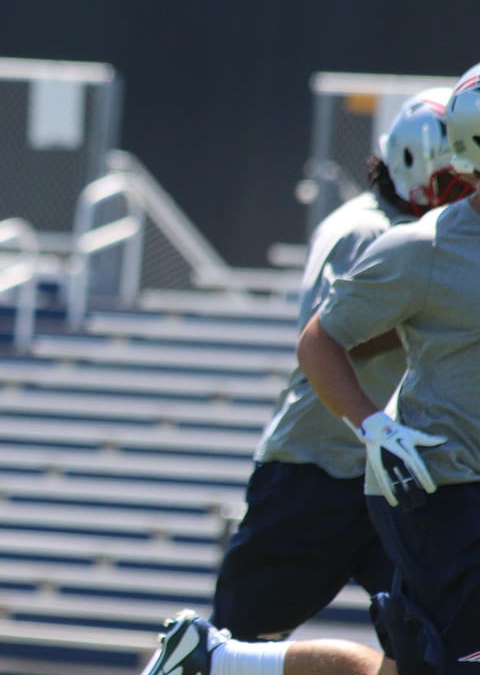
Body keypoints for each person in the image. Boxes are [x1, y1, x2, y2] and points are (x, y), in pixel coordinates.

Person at [140, 68, 480, 675]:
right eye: (450, 182)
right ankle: (214, 658)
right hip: (322, 464)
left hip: (410, 471)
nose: (455, 192)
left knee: (416, 661)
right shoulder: (382, 235)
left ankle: (219, 659)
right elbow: (326, 331)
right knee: (247, 626)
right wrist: (381, 411)